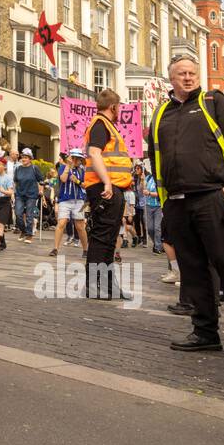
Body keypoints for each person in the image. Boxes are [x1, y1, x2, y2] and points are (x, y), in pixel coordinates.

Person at [149, 55, 224, 358]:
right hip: (177, 203)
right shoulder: (161, 113)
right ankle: (205, 331)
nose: (188, 77)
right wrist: (165, 200)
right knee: (193, 271)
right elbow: (155, 157)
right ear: (171, 79)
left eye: (192, 73)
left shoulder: (212, 101)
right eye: (181, 73)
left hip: (213, 198)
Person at [83, 90, 133, 300]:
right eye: (119, 107)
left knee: (109, 238)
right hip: (105, 188)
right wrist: (107, 182)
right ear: (113, 107)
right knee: (102, 237)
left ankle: (107, 285)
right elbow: (94, 152)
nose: (119, 110)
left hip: (111, 188)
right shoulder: (101, 124)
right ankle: (96, 285)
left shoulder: (105, 125)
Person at [51, 148, 88, 256]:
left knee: (80, 226)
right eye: (73, 158)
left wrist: (76, 180)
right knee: (61, 223)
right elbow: (62, 179)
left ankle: (86, 249)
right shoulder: (63, 167)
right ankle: (55, 249)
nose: (75, 160)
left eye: (78, 158)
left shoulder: (82, 170)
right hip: (65, 200)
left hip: (79, 201)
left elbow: (85, 185)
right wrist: (68, 166)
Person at [13, 148, 45, 243]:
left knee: (29, 215)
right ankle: (23, 231)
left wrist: (41, 190)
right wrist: (13, 193)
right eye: (23, 157)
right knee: (18, 214)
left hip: (31, 194)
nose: (24, 159)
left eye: (26, 157)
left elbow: (41, 181)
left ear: (30, 159)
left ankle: (29, 235)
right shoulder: (18, 169)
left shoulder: (34, 168)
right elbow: (15, 181)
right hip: (19, 194)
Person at [0, 157, 13, 251]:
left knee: (1, 224)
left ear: (4, 166)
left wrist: (2, 190)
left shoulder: (8, 178)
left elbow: (10, 192)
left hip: (4, 202)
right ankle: (2, 243)